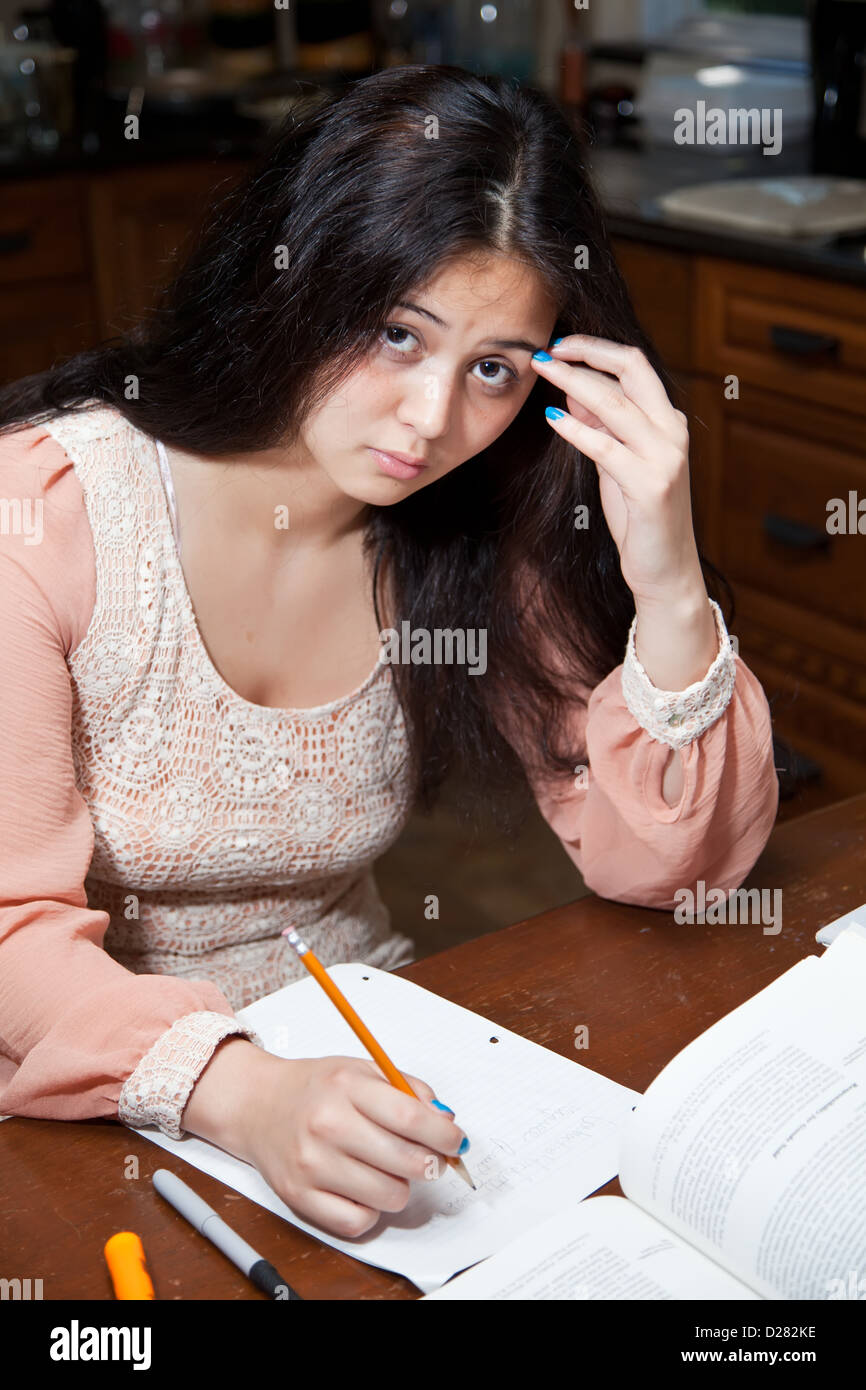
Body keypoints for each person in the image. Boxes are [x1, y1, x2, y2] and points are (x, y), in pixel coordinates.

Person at [0, 66, 778, 1240]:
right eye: (395, 333)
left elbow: (675, 874)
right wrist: (238, 1088)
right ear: (297, 275)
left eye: (494, 368)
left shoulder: (468, 528)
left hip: (374, 1052)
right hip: (79, 1100)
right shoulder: (45, 514)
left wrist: (665, 579)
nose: (428, 421)